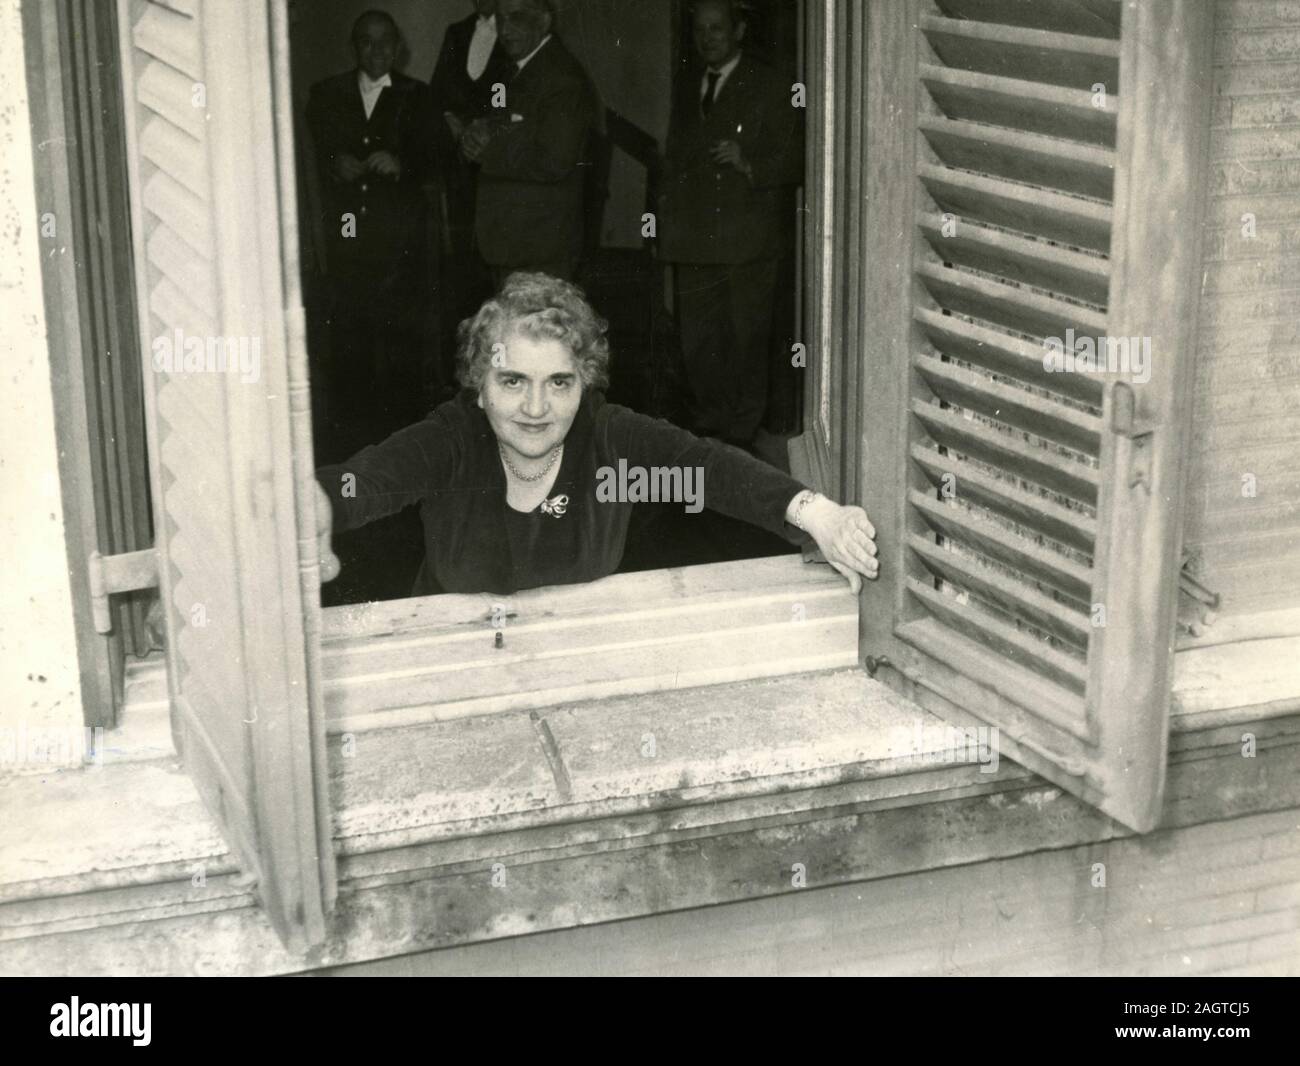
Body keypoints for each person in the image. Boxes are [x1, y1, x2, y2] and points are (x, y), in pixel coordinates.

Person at [314, 273, 878, 597]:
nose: (536, 408)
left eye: (559, 382)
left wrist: (819, 516)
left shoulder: (609, 454)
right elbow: (362, 484)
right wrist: (310, 509)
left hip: (576, 658)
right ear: (479, 384)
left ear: (584, 383)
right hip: (455, 670)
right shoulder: (454, 442)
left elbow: (711, 473)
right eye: (513, 381)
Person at [658, 0, 804, 450]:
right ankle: (711, 432)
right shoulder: (688, 85)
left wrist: (748, 163)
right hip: (694, 239)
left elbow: (797, 158)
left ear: (739, 30)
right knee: (698, 343)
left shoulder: (772, 83)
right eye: (701, 30)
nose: (707, 38)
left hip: (747, 240)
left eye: (717, 29)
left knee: (745, 341)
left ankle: (739, 437)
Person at [306, 9, 436, 446]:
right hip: (347, 232)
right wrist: (333, 162)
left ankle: (401, 434)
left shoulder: (419, 96)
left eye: (385, 42)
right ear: (354, 47)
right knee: (349, 328)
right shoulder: (325, 94)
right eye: (367, 41)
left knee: (399, 333)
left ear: (398, 48)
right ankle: (352, 435)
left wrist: (403, 165)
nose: (377, 50)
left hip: (398, 237)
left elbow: (437, 160)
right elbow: (318, 151)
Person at [458, 0, 596, 285]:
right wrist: (478, 131)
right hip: (513, 244)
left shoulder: (561, 77)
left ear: (545, 22)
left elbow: (554, 161)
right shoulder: (516, 68)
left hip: (539, 249)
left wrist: (488, 149)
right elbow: (508, 123)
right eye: (501, 19)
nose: (506, 30)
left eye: (517, 18)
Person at [429, 0, 514, 359]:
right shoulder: (457, 32)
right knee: (462, 263)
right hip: (460, 169)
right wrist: (450, 119)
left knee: (497, 264)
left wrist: (489, 127)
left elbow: (516, 96)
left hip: (501, 167)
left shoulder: (518, 30)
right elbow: (438, 92)